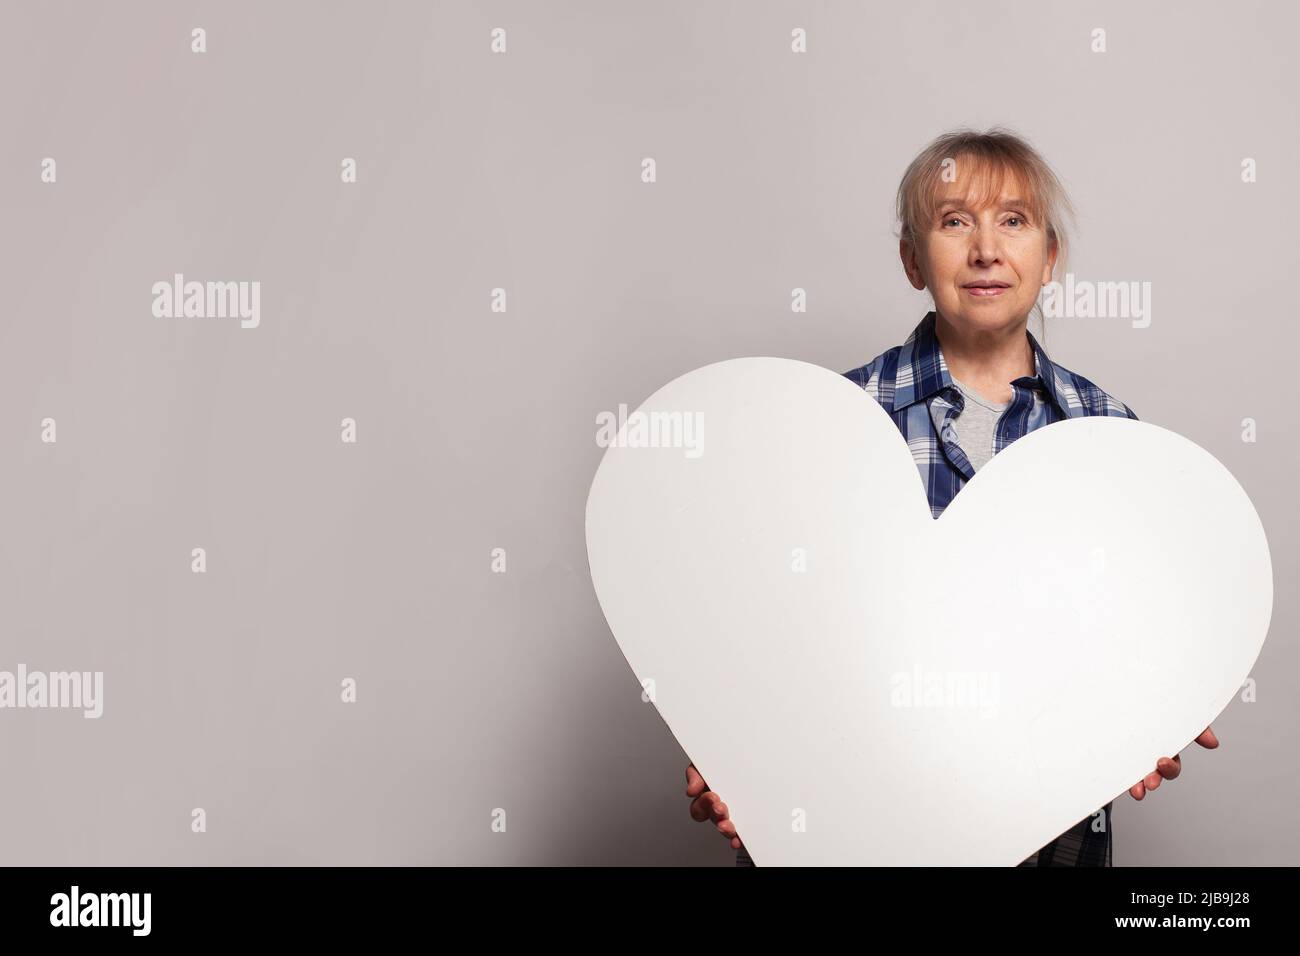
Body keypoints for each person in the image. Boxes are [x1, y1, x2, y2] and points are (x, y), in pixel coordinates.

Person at [685, 127, 1220, 867]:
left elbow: (1134, 636)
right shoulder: (829, 423)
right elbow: (758, 620)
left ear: (1049, 256)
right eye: (954, 221)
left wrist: (1163, 707)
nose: (986, 250)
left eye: (1013, 220)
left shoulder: (1110, 438)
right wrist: (727, 745)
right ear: (912, 258)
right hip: (851, 826)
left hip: (1046, 838)